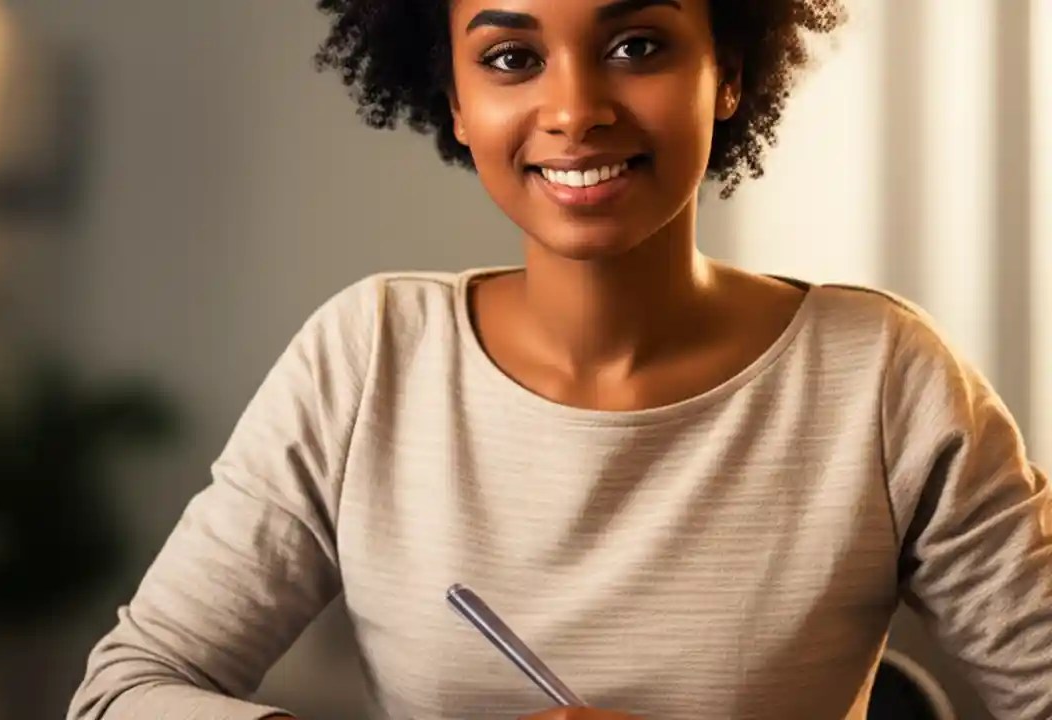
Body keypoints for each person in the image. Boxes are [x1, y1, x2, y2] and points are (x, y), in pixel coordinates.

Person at [67, 1, 1052, 718]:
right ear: (452, 98)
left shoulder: (883, 379)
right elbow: (123, 694)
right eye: (509, 57)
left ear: (729, 71)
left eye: (636, 46)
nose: (575, 109)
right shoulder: (366, 359)